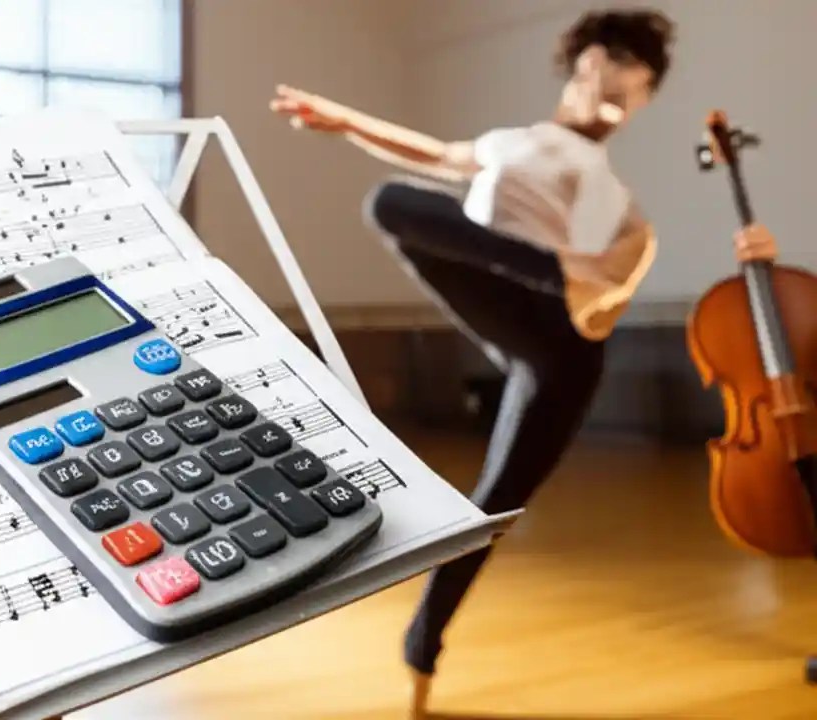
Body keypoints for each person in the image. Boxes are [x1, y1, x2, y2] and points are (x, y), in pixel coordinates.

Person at [269, 8, 777, 717]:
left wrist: (600, 256)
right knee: (391, 201)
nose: (614, 96)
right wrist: (346, 121)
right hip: (514, 307)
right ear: (581, 66)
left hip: (569, 345)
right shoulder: (514, 142)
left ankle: (422, 637)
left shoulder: (612, 191)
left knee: (495, 508)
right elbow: (434, 156)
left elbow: (621, 269)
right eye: (606, 74)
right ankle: (424, 643)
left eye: (633, 92)